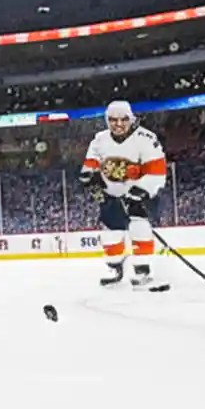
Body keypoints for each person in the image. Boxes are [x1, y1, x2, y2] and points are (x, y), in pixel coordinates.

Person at [77, 100, 169, 292]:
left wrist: (142, 190)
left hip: (141, 195)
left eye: (123, 119)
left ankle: (142, 269)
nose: (118, 124)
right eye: (113, 120)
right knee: (111, 234)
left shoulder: (145, 138)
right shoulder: (99, 140)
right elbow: (90, 165)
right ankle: (115, 268)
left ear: (131, 119)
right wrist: (90, 178)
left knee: (140, 227)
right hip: (111, 195)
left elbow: (157, 171)